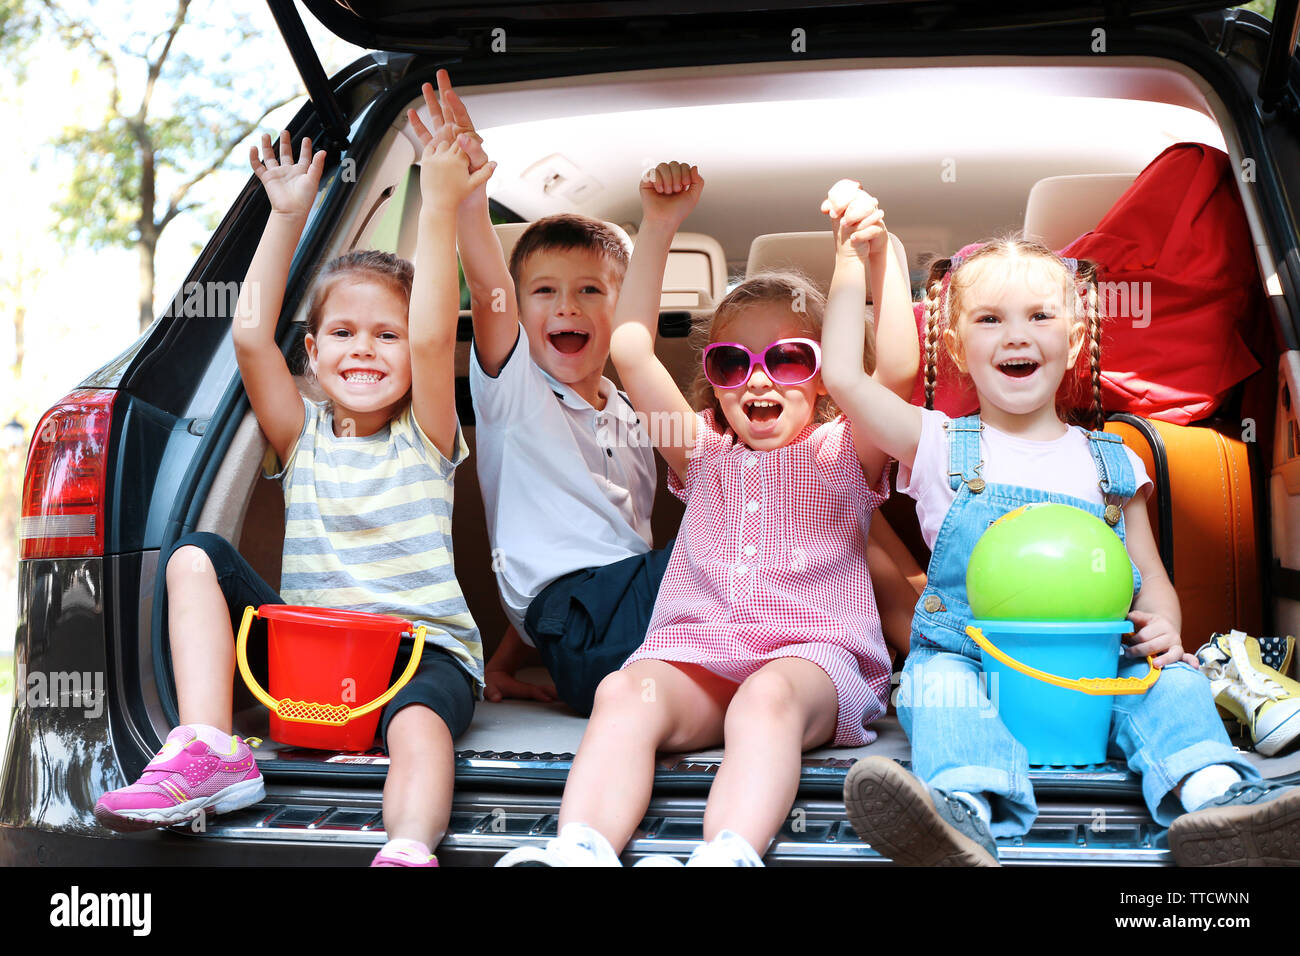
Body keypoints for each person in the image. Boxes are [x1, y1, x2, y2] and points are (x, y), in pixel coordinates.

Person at [821, 192, 1295, 866]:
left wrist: (1164, 627)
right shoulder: (934, 442)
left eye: (1040, 316)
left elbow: (1149, 580)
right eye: (990, 319)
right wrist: (851, 257)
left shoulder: (1114, 462)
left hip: (1095, 672)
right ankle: (962, 814)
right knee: (934, 687)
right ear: (956, 346)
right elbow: (843, 376)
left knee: (1177, 685)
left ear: (1073, 342)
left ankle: (1219, 803)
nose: (1016, 336)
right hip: (973, 662)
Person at [93, 129, 493, 868]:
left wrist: (439, 205)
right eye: (342, 332)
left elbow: (439, 339)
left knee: (420, 730)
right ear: (312, 352)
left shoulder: (426, 438)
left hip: (418, 655)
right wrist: (286, 216)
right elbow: (251, 340)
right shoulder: (301, 437)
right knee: (194, 557)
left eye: (388, 335)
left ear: (413, 352)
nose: (364, 348)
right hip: (312, 663)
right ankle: (210, 749)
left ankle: (408, 846)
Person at [496, 166, 917, 866]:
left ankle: (728, 853)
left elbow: (894, 372)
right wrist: (659, 225)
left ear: (824, 375)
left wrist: (864, 259)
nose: (757, 379)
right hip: (700, 658)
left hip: (811, 661)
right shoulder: (699, 451)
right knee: (623, 690)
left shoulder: (844, 451)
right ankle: (580, 849)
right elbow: (631, 348)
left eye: (789, 359)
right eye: (730, 363)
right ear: (712, 383)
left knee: (765, 699)